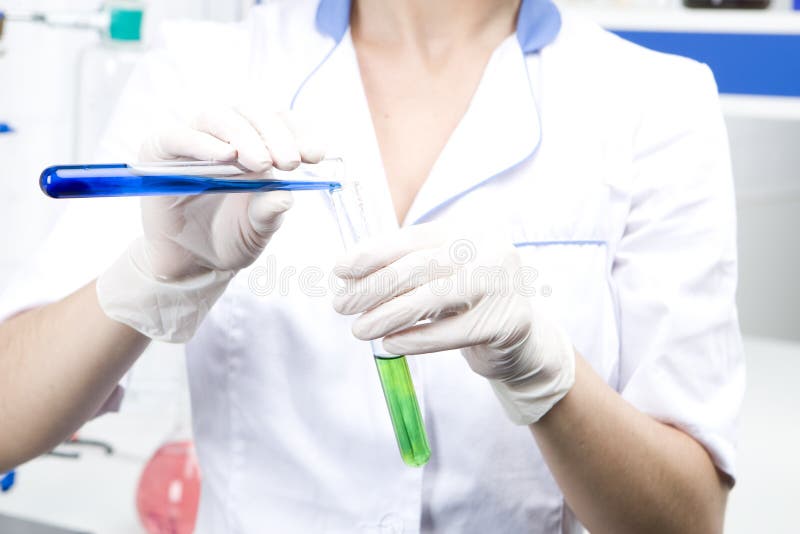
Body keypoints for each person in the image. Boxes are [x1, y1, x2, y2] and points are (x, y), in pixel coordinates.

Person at [0, 0, 744, 532]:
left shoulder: (655, 101)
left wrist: (547, 375)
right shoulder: (207, 68)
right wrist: (156, 273)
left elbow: (687, 520)